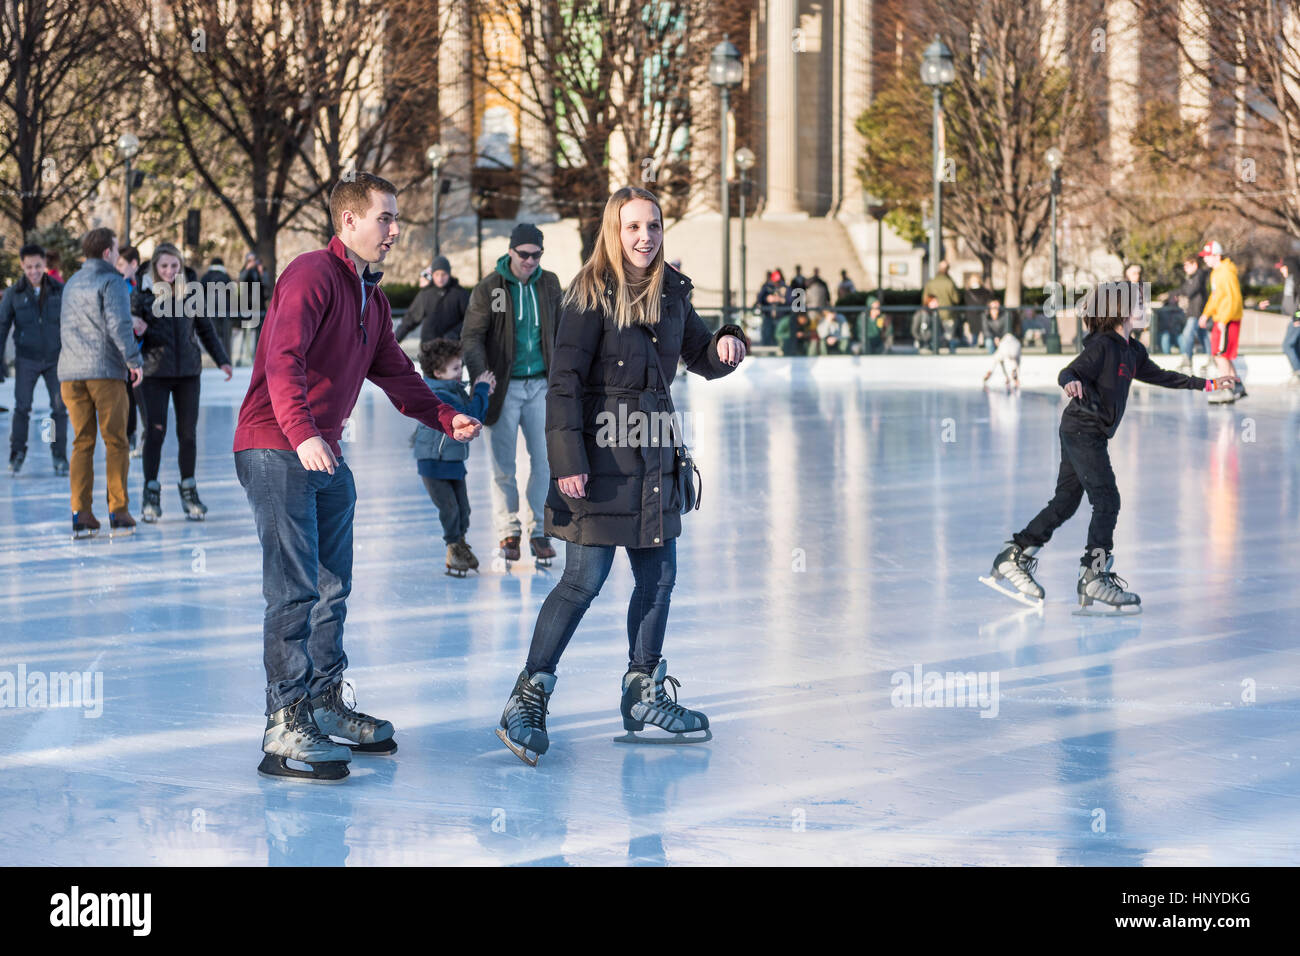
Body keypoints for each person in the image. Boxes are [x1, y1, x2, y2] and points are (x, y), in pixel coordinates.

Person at [233, 172, 483, 783]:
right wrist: (302, 432)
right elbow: (283, 357)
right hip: (276, 445)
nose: (394, 230)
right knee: (293, 589)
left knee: (331, 587)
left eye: (396, 218)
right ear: (349, 221)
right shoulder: (311, 274)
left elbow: (397, 374)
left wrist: (444, 415)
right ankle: (284, 722)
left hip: (322, 453)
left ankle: (322, 701)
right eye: (384, 218)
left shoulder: (372, 298)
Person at [494, 185, 748, 765]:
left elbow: (702, 355)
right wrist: (567, 461)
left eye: (653, 225)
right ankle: (526, 697)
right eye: (633, 226)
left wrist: (730, 341)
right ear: (614, 230)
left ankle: (643, 693)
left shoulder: (672, 292)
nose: (645, 236)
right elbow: (564, 382)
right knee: (582, 581)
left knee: (658, 580)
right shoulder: (589, 293)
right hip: (599, 459)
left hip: (655, 454)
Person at [983, 281, 1236, 612]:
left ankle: (1014, 555)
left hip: (1088, 432)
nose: (1145, 308)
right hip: (1082, 430)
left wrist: (1207, 384)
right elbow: (1069, 371)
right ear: (1121, 309)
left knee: (1066, 502)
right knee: (1107, 500)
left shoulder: (1132, 350)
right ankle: (1093, 574)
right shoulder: (1103, 345)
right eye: (1139, 303)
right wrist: (1071, 382)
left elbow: (1162, 376)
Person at [461, 222, 565, 568]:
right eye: (524, 254)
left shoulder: (549, 284)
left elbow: (563, 330)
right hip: (503, 388)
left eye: (537, 255)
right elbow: (472, 336)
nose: (530, 261)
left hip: (541, 386)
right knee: (503, 466)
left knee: (546, 461)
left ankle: (540, 530)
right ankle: (508, 531)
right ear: (511, 251)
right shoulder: (491, 288)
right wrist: (481, 375)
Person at [130, 243, 233, 522]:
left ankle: (189, 490)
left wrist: (222, 359)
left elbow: (205, 328)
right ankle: (151, 493)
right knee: (155, 432)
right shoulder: (142, 295)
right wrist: (135, 329)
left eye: (174, 266)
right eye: (164, 266)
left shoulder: (190, 292)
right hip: (154, 373)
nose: (169, 271)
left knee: (187, 434)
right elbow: (131, 332)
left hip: (188, 373)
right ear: (155, 267)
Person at [57, 227, 144, 539]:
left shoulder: (71, 283)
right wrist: (133, 361)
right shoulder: (112, 281)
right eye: (116, 250)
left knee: (82, 442)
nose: (118, 255)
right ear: (108, 252)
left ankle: (80, 513)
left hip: (71, 373)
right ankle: (118, 511)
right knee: (116, 441)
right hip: (104, 371)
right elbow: (119, 325)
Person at [412, 338, 494, 576]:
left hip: (453, 460)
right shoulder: (439, 394)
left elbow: (474, 412)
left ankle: (460, 544)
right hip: (433, 463)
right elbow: (471, 416)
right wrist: (481, 389)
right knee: (450, 509)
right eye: (455, 368)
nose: (460, 372)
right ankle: (453, 549)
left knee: (463, 509)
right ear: (438, 373)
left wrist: (481, 393)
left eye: (460, 367)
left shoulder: (453, 390)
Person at [0, 244, 69, 476]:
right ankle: (17, 453)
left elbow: (71, 324)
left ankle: (58, 454)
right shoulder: (14, 293)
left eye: (38, 266)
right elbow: (2, 327)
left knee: (59, 408)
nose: (33, 271)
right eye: (29, 267)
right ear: (22, 265)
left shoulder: (59, 290)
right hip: (26, 358)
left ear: (44, 264)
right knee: (22, 407)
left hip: (54, 359)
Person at [1196, 241, 1246, 403]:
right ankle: (1237, 386)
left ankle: (1227, 390)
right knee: (1222, 354)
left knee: (1220, 355)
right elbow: (1215, 297)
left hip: (1227, 319)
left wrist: (1224, 320)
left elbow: (1233, 298)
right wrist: (1206, 314)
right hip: (1221, 318)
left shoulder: (1226, 273)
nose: (1205, 259)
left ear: (1217, 256)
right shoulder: (1217, 273)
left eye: (1208, 256)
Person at [116, 246, 149, 458]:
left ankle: (147, 438)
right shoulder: (119, 285)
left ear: (133, 264)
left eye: (121, 264)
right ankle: (130, 437)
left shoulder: (147, 285)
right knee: (128, 396)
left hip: (147, 351)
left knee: (144, 398)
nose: (118, 268)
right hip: (128, 352)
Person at [394, 255, 470, 344]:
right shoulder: (425, 294)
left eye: (443, 274)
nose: (440, 278)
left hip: (453, 345)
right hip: (429, 346)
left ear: (449, 274)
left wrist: (454, 333)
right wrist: (394, 341)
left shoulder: (460, 293)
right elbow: (410, 319)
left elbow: (470, 319)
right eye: (437, 274)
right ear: (432, 274)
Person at [1259, 256, 1300, 387]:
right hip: (1294, 318)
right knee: (1295, 346)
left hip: (1297, 319)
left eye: (1283, 268)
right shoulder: (1290, 280)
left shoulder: (1297, 279)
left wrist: (1298, 317)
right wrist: (1269, 300)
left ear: (1289, 267)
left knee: (1287, 346)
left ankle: (1298, 373)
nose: (1281, 271)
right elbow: (1285, 295)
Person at [921, 259, 961, 351]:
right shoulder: (950, 283)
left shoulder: (930, 282)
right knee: (948, 339)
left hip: (933, 314)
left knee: (935, 338)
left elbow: (925, 299)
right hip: (948, 314)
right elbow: (956, 299)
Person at [982, 308, 1021, 392]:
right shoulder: (1015, 324)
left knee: (1000, 358)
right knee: (1006, 359)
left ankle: (992, 371)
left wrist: (998, 339)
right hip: (1012, 344)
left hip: (1006, 343)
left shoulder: (1005, 320)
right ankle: (1011, 376)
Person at [755, 269, 786, 347]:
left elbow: (789, 299)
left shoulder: (783, 288)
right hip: (768, 315)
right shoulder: (766, 287)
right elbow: (759, 299)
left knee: (777, 334)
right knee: (767, 333)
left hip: (779, 316)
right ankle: (767, 349)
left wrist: (781, 299)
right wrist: (767, 298)